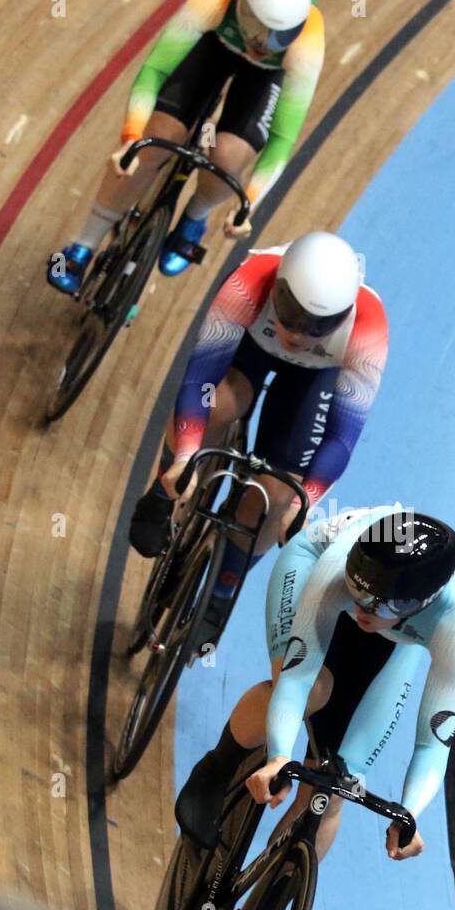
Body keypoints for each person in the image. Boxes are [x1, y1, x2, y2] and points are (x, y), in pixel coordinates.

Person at [174, 507, 455, 863]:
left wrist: (409, 814)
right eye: (360, 589)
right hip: (312, 568)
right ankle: (216, 769)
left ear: (424, 601)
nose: (364, 607)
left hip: (396, 641)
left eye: (383, 602)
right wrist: (279, 756)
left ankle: (270, 902)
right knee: (315, 690)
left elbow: (433, 743)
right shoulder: (338, 568)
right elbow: (297, 679)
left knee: (340, 785)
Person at [129, 231, 388, 645]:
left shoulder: (368, 329)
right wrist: (185, 457)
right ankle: (164, 492)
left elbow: (340, 439)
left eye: (318, 325)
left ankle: (222, 587)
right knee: (217, 406)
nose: (299, 334)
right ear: (277, 286)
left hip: (312, 379)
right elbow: (199, 379)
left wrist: (308, 500)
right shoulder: (248, 282)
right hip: (248, 349)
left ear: (344, 317)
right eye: (290, 312)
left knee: (275, 496)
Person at [47, 0, 324, 293]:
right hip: (213, 46)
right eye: (256, 26)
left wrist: (247, 203)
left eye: (281, 36)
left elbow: (282, 139)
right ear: (241, 5)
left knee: (226, 158)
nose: (264, 43)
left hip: (262, 77)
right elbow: (155, 71)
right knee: (155, 141)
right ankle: (82, 246)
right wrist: (130, 139)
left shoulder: (308, 42)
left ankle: (195, 216)